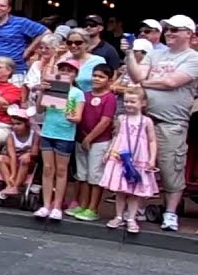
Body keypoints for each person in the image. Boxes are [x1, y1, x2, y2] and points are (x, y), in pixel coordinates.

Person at [123, 14, 198, 230]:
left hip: (171, 122)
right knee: (137, 165)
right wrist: (129, 54)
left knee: (170, 168)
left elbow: (171, 82)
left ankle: (171, 213)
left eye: (175, 29)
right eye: (168, 29)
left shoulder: (193, 58)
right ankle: (137, 208)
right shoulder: (156, 54)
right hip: (144, 120)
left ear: (188, 33)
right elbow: (137, 75)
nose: (170, 32)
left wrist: (144, 83)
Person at [99, 87, 159, 234]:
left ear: (143, 103)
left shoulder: (147, 121)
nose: (128, 104)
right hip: (121, 157)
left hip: (139, 158)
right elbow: (116, 136)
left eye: (132, 101)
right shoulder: (121, 119)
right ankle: (118, 216)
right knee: (121, 190)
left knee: (134, 192)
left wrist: (152, 159)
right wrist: (109, 151)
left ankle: (131, 218)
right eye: (126, 101)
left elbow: (152, 141)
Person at [34, 58, 85, 221]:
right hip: (48, 132)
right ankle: (46, 205)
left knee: (61, 171)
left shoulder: (77, 93)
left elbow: (78, 117)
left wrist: (72, 116)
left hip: (65, 134)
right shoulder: (51, 88)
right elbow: (39, 110)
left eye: (69, 70)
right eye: (62, 69)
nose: (65, 73)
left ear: (75, 74)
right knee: (48, 169)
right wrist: (42, 91)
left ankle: (57, 206)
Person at [69, 63, 116, 222]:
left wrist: (90, 138)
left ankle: (93, 208)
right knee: (82, 174)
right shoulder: (85, 95)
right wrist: (83, 136)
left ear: (109, 80)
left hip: (99, 141)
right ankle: (82, 205)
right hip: (82, 139)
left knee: (95, 175)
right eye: (95, 75)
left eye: (101, 76)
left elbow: (105, 121)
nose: (96, 79)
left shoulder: (109, 98)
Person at [0, 105, 36, 198]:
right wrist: (13, 175)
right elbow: (12, 156)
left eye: (18, 124)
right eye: (13, 124)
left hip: (28, 163)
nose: (15, 127)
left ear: (26, 124)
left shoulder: (34, 135)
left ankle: (16, 186)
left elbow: (34, 153)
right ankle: (9, 184)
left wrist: (28, 154)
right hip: (14, 160)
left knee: (24, 159)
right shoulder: (11, 136)